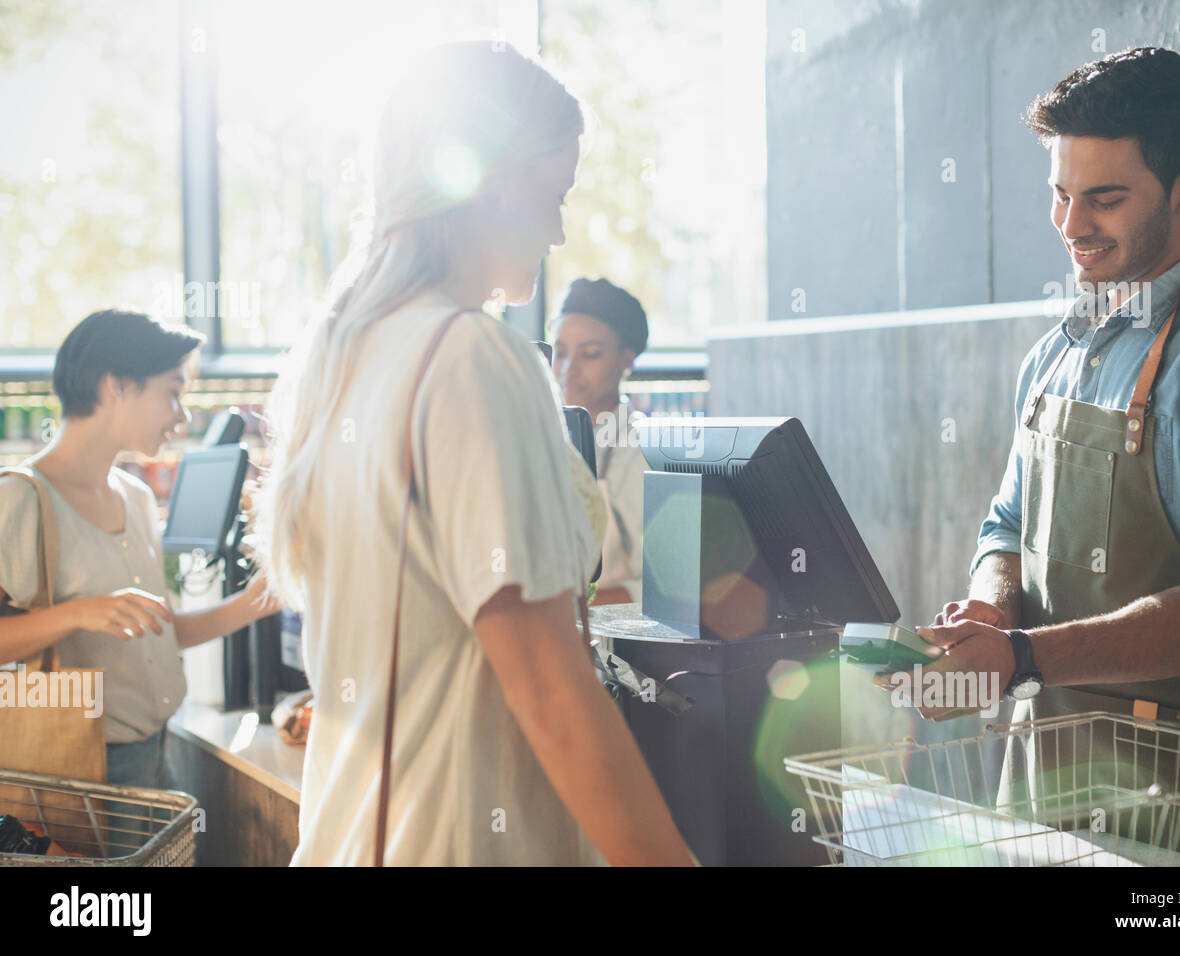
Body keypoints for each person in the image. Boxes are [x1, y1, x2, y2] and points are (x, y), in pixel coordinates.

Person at [254, 42, 693, 866]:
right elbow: (553, 692)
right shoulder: (469, 355)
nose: (559, 227)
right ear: (489, 180)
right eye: (552, 191)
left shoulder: (343, 355)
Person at [895, 49, 1180, 801]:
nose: (1071, 225)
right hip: (1042, 774)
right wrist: (992, 603)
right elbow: (1008, 524)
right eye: (1059, 195)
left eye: (1104, 199)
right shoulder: (1059, 349)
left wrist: (1021, 655)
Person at [0, 309, 279, 792]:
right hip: (77, 768)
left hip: (156, 754)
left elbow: (161, 632)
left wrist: (262, 597)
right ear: (117, 385)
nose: (182, 415)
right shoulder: (20, 497)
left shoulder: (138, 497)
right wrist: (78, 614)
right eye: (172, 391)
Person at [551, 277, 650, 606]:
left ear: (627, 358)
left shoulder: (641, 452)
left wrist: (567, 607)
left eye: (590, 354)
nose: (567, 369)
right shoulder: (542, 440)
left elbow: (660, 588)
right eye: (559, 352)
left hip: (611, 647)